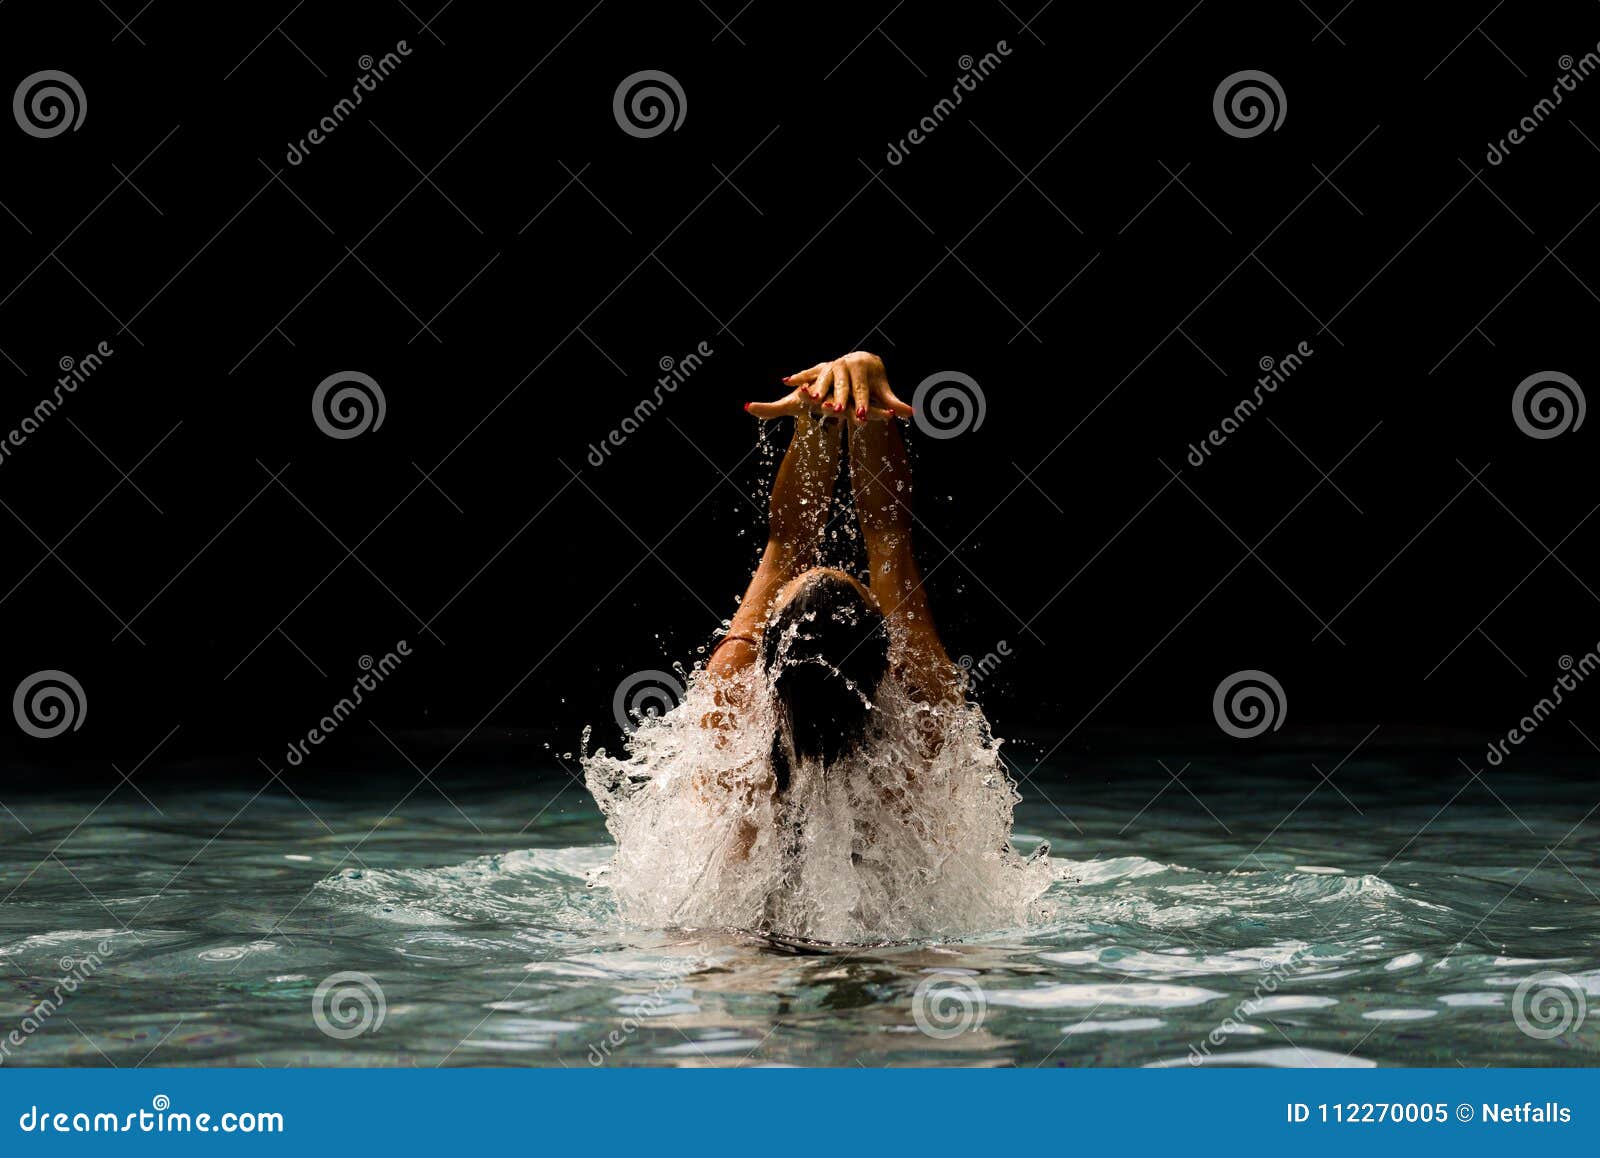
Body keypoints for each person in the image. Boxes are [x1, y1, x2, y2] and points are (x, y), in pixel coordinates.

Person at [695, 350, 956, 856]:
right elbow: (886, 536)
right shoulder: (924, 713)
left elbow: (786, 541)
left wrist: (819, 415)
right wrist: (864, 386)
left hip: (739, 933)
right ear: (888, 649)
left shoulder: (731, 710)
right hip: (893, 935)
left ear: (766, 654)